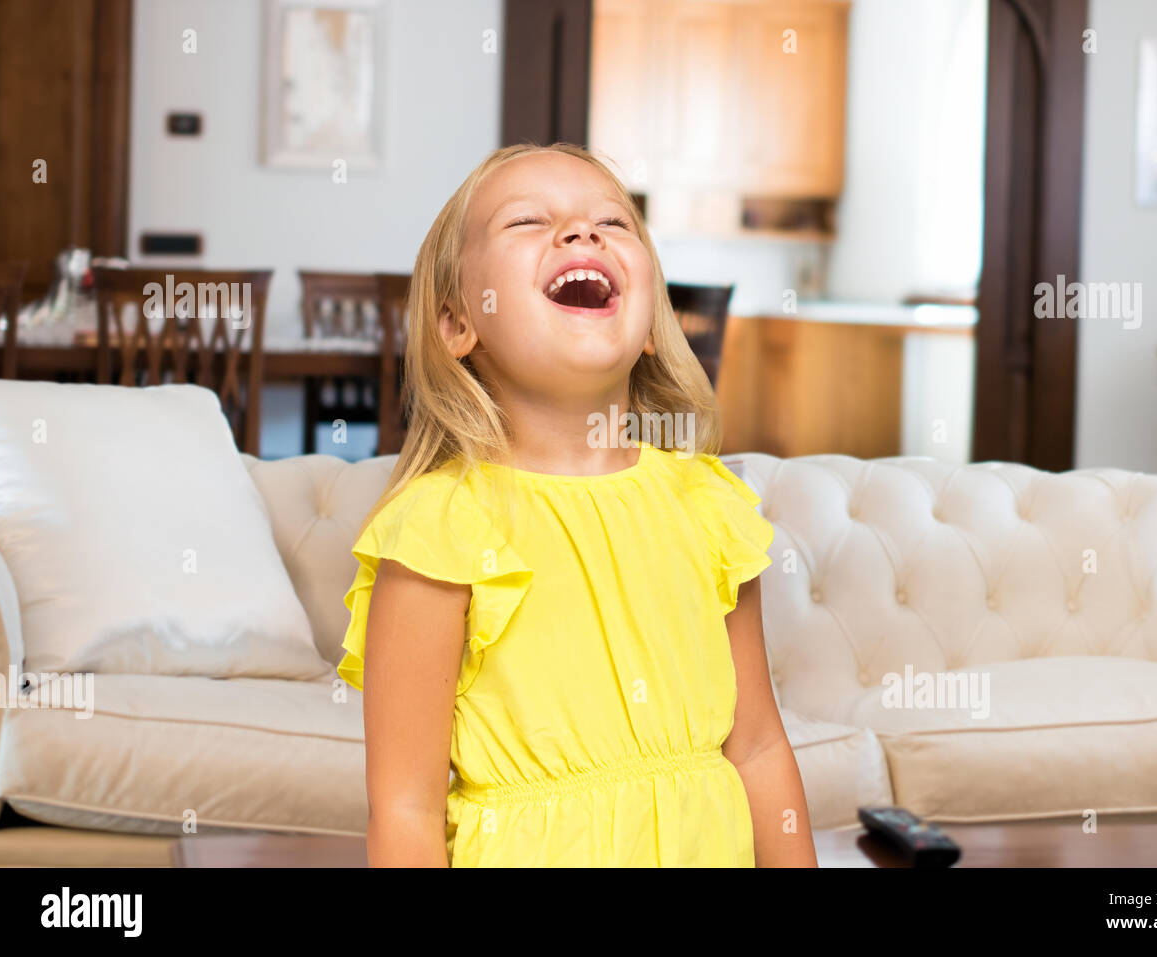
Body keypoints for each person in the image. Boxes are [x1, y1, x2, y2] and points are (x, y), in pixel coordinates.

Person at [338, 142, 817, 867]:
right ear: (457, 322)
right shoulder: (441, 529)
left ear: (654, 323)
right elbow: (405, 809)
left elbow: (757, 749)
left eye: (614, 224)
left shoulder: (708, 506)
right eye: (528, 220)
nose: (582, 233)